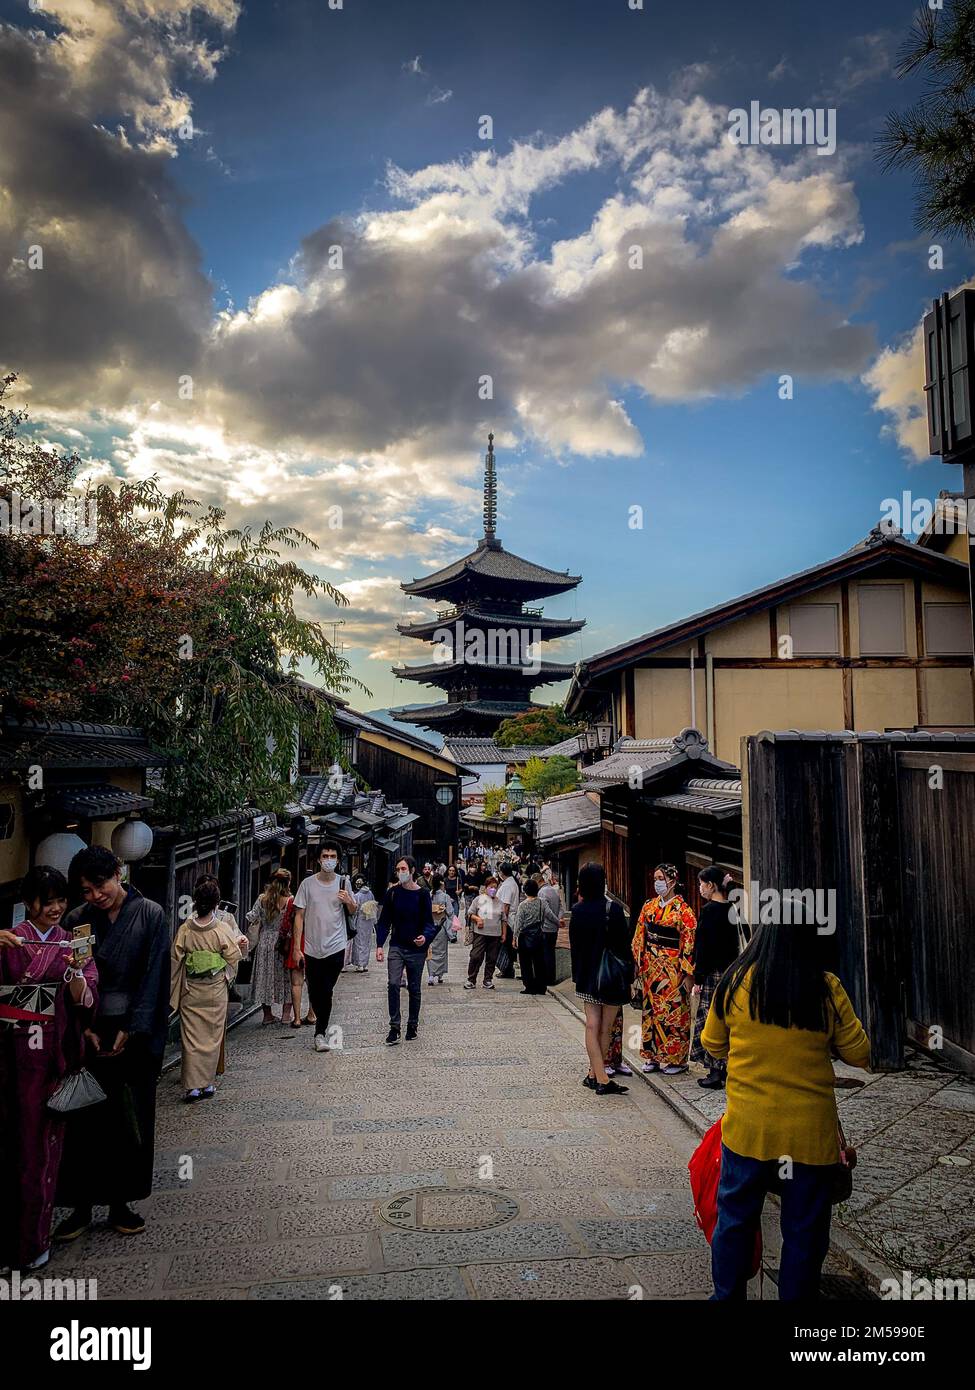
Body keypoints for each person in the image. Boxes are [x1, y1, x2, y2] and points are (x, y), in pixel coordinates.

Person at [702, 921, 871, 1301]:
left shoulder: (736, 982)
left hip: (748, 1130)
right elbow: (860, 1053)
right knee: (804, 1231)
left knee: (734, 1221)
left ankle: (726, 1296)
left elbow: (711, 1043)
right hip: (809, 1137)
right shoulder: (826, 987)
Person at [54, 846, 170, 1243]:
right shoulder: (77, 921)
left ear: (118, 873)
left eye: (99, 885)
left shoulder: (151, 914)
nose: (95, 896)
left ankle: (122, 1202)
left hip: (134, 1028)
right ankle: (80, 1205)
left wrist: (134, 1027)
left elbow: (156, 974)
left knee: (130, 1120)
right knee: (85, 1120)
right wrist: (84, 1026)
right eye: (85, 891)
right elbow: (70, 980)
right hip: (90, 1026)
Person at [0, 867, 98, 1271]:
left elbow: (87, 997)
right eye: (47, 900)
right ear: (28, 901)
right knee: (8, 1151)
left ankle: (33, 1242)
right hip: (8, 1058)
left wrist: (75, 974)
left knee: (40, 1154)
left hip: (49, 1061)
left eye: (61, 900)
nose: (55, 908)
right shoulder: (9, 939)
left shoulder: (71, 943)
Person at [171, 878, 242, 1102]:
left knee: (191, 1038)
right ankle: (208, 1083)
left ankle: (192, 1086)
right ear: (216, 904)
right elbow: (233, 956)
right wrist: (227, 973)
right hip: (214, 989)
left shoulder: (185, 929)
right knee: (212, 1036)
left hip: (191, 989)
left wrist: (174, 989)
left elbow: (175, 960)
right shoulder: (220, 929)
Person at [569, 862, 631, 1096]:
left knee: (591, 1025)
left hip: (587, 974)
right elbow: (623, 946)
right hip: (612, 976)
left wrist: (578, 975)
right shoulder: (612, 909)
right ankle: (603, 1078)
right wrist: (630, 975)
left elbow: (575, 946)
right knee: (606, 1027)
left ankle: (594, 1074)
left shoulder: (577, 910)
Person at [631, 863, 697, 1075]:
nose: (657, 882)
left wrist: (688, 973)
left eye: (661, 878)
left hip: (673, 969)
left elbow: (689, 941)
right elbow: (640, 934)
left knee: (673, 1013)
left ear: (672, 881)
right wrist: (637, 962)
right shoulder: (649, 906)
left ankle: (676, 1059)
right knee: (651, 1012)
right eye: (655, 878)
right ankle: (652, 1056)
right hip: (651, 967)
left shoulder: (684, 911)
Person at [292, 842, 357, 1054]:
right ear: (319, 859)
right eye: (325, 855)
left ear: (338, 860)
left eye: (332, 856)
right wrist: (296, 946)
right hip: (312, 946)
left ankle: (320, 1032)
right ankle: (320, 1023)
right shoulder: (307, 885)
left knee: (327, 989)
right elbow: (299, 916)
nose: (329, 859)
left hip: (336, 944)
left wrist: (348, 901)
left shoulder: (343, 882)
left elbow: (354, 909)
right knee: (315, 989)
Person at [690, 867, 741, 1090]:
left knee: (709, 1020)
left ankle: (714, 1071)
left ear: (711, 885)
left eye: (702, 884)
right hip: (730, 970)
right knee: (725, 1019)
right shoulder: (732, 908)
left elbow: (703, 947)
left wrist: (698, 976)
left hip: (712, 972)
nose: (700, 888)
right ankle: (725, 1068)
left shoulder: (710, 911)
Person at [375, 857, 436, 1043]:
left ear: (411, 870)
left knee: (414, 987)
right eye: (398, 869)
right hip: (397, 945)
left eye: (403, 868)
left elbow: (429, 923)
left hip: (416, 949)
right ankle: (394, 1026)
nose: (400, 872)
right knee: (393, 983)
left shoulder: (423, 894)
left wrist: (425, 937)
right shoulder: (392, 893)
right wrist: (379, 945)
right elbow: (384, 921)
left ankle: (412, 1024)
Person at [245, 868, 294, 1025]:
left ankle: (267, 1015)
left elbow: (251, 917)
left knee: (265, 977)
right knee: (286, 977)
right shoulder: (290, 900)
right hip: (282, 942)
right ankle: (286, 1014)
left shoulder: (262, 899)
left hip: (265, 940)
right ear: (288, 882)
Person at [512, 878, 558, 995]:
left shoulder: (522, 905)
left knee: (526, 963)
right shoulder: (542, 902)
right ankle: (541, 986)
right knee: (539, 962)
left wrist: (514, 937)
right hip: (538, 935)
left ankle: (529, 986)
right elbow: (550, 915)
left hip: (525, 936)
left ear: (525, 891)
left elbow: (518, 923)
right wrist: (558, 922)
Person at [465, 874, 504, 989]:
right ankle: (471, 979)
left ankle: (488, 979)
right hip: (480, 933)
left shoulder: (499, 902)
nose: (493, 889)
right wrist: (477, 919)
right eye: (491, 887)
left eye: (495, 887)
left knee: (492, 958)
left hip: (495, 934)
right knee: (476, 956)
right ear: (486, 887)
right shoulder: (478, 899)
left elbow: (503, 920)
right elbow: (470, 913)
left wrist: (504, 934)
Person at [537, 869, 564, 989]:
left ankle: (547, 978)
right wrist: (558, 920)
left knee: (546, 954)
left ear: (538, 881)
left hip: (546, 927)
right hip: (554, 928)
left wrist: (557, 921)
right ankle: (551, 977)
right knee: (551, 953)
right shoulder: (553, 891)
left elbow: (546, 911)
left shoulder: (542, 893)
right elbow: (561, 907)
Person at [346, 873, 378, 972]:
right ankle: (365, 964)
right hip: (368, 920)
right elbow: (373, 906)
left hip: (360, 919)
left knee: (359, 942)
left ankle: (360, 964)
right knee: (367, 942)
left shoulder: (357, 895)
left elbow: (355, 909)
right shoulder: (370, 893)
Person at [495, 862, 520, 979]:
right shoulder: (510, 883)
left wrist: (501, 922)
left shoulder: (507, 885)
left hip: (508, 919)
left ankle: (507, 969)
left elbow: (506, 906)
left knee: (505, 946)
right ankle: (507, 969)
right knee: (507, 946)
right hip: (510, 918)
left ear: (502, 872)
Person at [427, 874, 451, 985]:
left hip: (430, 926)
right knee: (441, 951)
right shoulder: (445, 897)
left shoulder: (428, 895)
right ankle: (440, 975)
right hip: (441, 926)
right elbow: (450, 912)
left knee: (431, 950)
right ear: (442, 883)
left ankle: (431, 975)